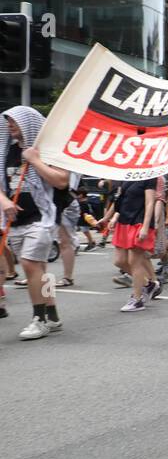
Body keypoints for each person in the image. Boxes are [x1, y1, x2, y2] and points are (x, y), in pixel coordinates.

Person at [1, 106, 69, 339]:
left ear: (27, 123)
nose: (9, 125)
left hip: (43, 216)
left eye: (14, 122)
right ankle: (53, 315)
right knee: (41, 269)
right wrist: (5, 202)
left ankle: (38, 319)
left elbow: (61, 181)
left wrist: (34, 160)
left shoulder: (50, 151)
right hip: (16, 219)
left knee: (30, 264)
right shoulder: (7, 151)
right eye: (7, 121)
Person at [107, 176, 159, 313]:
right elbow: (122, 200)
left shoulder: (150, 176)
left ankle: (137, 299)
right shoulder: (129, 175)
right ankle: (148, 284)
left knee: (134, 261)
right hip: (124, 220)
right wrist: (114, 217)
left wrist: (146, 227)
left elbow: (149, 203)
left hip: (139, 221)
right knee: (120, 261)